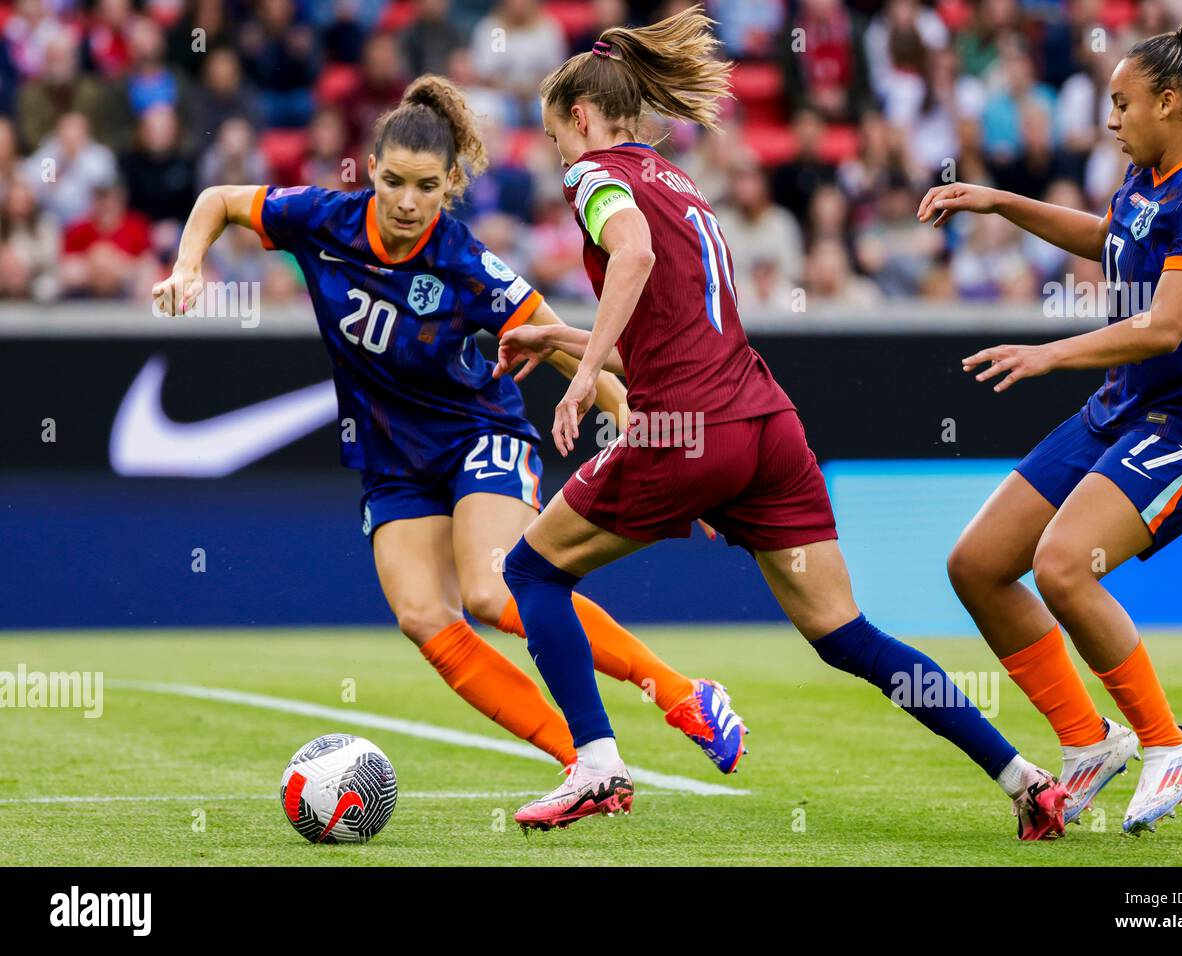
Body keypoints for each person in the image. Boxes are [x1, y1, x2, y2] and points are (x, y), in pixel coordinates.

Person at [494, 7, 1068, 837]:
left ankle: (596, 765)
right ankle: (1024, 778)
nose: (559, 156)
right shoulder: (682, 184)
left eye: (556, 139)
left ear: (580, 118)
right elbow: (672, 336)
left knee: (532, 574)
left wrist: (582, 375)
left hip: (684, 432)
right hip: (765, 424)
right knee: (847, 633)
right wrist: (566, 337)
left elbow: (634, 257)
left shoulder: (595, 177)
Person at [152, 74, 748, 779]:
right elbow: (219, 201)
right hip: (390, 458)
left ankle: (684, 696)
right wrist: (188, 267)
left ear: (451, 183)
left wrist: (625, 410)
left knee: (493, 592)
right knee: (422, 617)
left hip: (477, 434)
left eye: (428, 187)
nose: (408, 202)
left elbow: (554, 339)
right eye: (396, 181)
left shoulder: (468, 265)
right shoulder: (322, 221)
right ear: (370, 169)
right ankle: (582, 763)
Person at [920, 20, 1182, 833]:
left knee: (1064, 567)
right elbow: (1109, 238)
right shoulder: (1148, 179)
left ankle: (1166, 741)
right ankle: (1087, 743)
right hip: (1120, 409)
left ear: (1171, 101)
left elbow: (1161, 329)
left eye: (1122, 103)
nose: (1111, 119)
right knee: (976, 564)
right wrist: (1000, 202)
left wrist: (1049, 355)